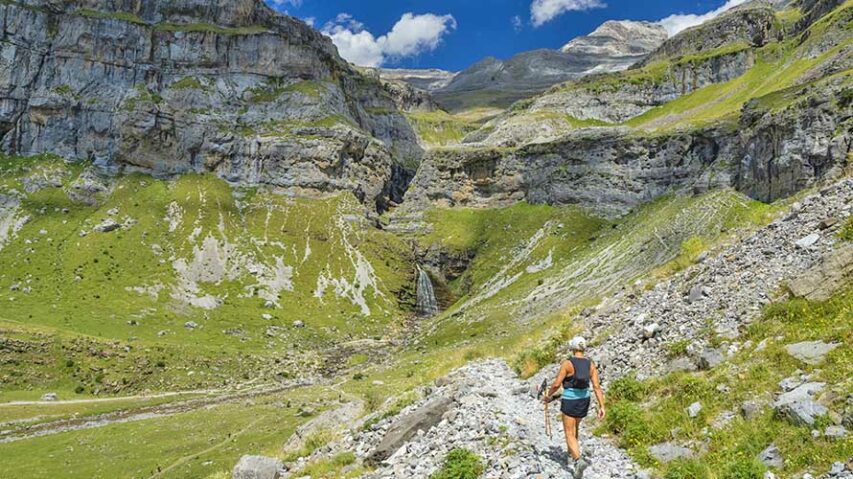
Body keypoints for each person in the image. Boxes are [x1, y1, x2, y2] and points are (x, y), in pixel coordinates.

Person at [542, 336, 605, 478]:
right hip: (584, 400)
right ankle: (571, 455)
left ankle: (578, 461)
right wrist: (602, 406)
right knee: (575, 427)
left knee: (569, 432)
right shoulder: (590, 364)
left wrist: (548, 396)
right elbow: (596, 386)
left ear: (572, 348)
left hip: (570, 400)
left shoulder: (567, 363)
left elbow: (557, 384)